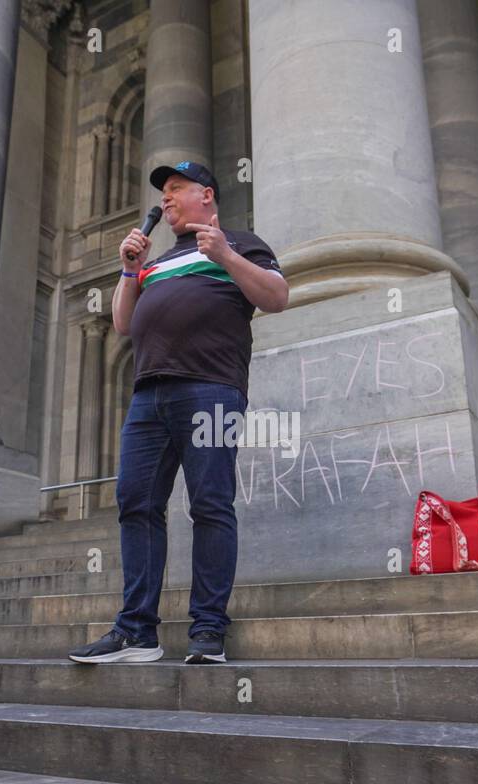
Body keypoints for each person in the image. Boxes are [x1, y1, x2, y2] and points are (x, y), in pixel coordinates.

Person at [68, 160, 289, 665]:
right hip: (148, 396)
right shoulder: (156, 260)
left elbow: (277, 297)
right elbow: (123, 324)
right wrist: (128, 270)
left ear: (206, 195)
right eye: (163, 194)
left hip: (212, 391)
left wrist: (227, 255)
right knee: (136, 504)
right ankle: (136, 632)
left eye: (175, 189)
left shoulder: (241, 242)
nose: (165, 200)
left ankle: (209, 630)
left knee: (211, 503)